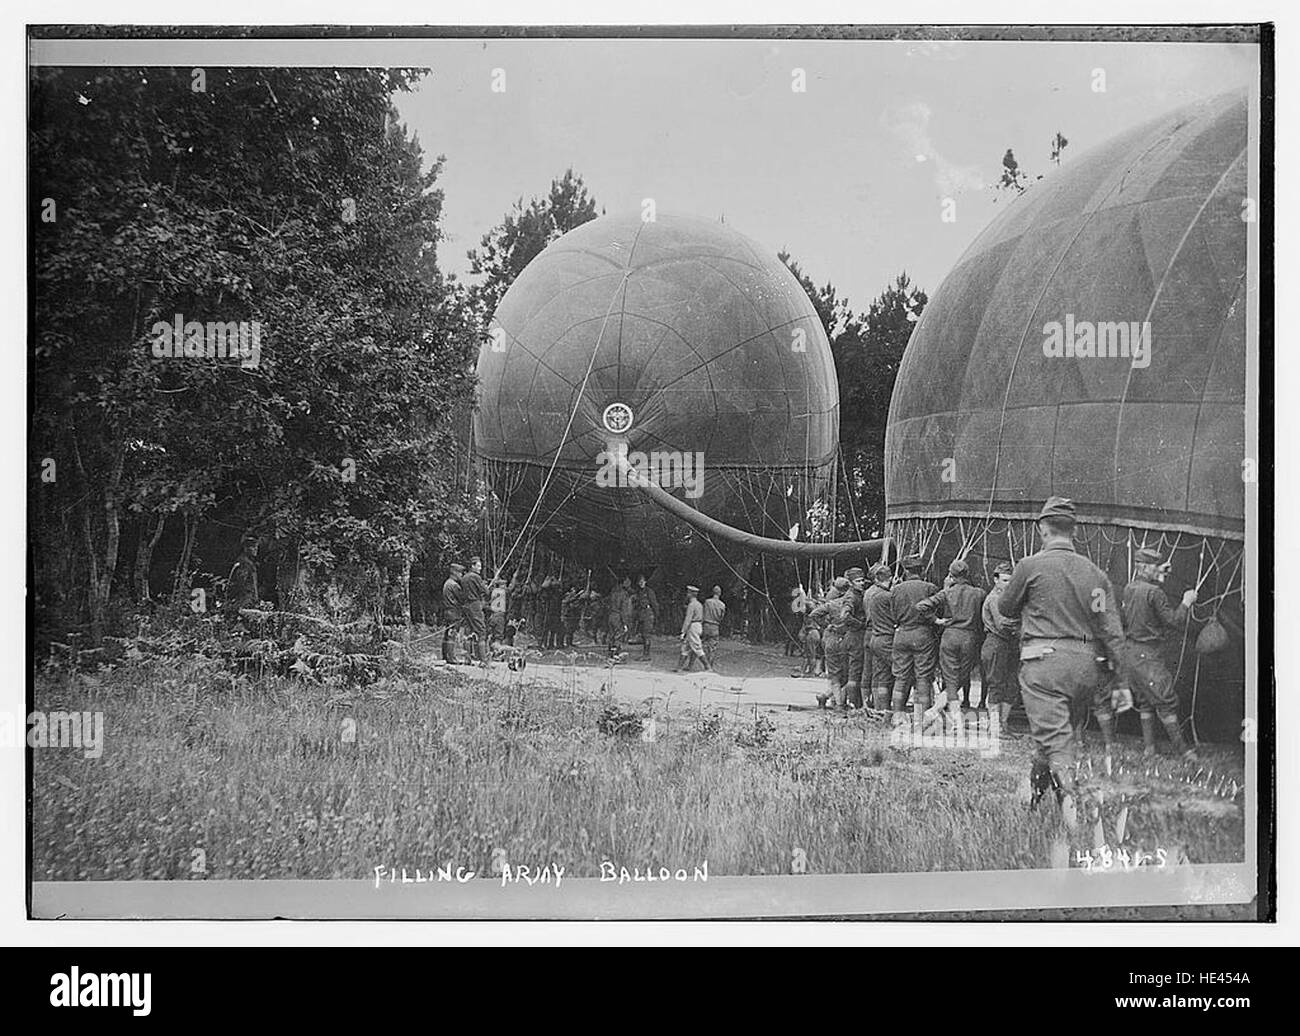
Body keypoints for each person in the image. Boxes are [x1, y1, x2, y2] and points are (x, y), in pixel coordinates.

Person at [998, 497, 1127, 825]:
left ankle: (1071, 816)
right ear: (1074, 530)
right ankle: (1034, 803)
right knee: (1057, 735)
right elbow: (1112, 632)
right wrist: (1122, 681)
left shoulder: (1030, 566)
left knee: (1056, 740)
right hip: (1085, 667)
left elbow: (1005, 609)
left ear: (1042, 528)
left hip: (1044, 664)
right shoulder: (1095, 573)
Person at [1121, 547, 1199, 761]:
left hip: (1131, 654)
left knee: (1146, 699)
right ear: (1145, 568)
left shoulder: (1130, 587)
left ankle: (1149, 749)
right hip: (1148, 655)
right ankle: (1184, 751)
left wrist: (1159, 572)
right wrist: (1186, 602)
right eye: (1156, 566)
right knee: (1165, 701)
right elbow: (1174, 621)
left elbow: (1144, 596)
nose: (1160, 570)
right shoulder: (1155, 593)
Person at [916, 559, 987, 712]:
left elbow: (921, 606)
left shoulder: (946, 593)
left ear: (951, 575)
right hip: (969, 637)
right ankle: (942, 707)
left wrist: (937, 620)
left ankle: (942, 709)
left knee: (950, 677)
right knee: (962, 675)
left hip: (949, 636)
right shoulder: (979, 593)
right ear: (967, 574)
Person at [889, 556, 940, 728]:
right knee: (923, 677)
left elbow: (893, 614)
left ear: (906, 571)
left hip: (901, 633)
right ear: (922, 571)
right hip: (922, 634)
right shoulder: (930, 588)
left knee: (901, 677)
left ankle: (897, 716)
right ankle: (921, 719)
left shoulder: (896, 589)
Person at [981, 562, 1021, 726]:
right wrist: (1022, 624)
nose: (1009, 584)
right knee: (996, 685)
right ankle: (996, 727)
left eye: (1011, 581)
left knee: (1011, 685)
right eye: (1005, 580)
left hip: (1010, 644)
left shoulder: (1008, 599)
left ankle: (1003, 724)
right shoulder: (995, 598)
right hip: (996, 644)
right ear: (995, 580)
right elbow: (1002, 624)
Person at [809, 578, 851, 708]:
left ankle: (829, 698)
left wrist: (827, 625)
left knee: (835, 674)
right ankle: (838, 702)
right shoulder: (852, 603)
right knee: (847, 674)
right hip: (847, 639)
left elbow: (814, 614)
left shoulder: (831, 603)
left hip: (832, 638)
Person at [863, 563, 896, 710]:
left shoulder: (869, 592)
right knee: (894, 672)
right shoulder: (884, 595)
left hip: (871, 633)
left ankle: (876, 708)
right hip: (882, 633)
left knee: (876, 673)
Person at [840, 567, 868, 709]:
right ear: (851, 583)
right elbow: (845, 616)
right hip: (855, 636)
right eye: (858, 581)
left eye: (862, 580)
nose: (861, 583)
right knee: (855, 671)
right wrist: (860, 625)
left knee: (856, 670)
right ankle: (852, 704)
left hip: (855, 636)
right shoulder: (851, 596)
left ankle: (852, 702)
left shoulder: (859, 594)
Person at [459, 556, 489, 663]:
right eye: (478, 566)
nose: (480, 568)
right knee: (481, 631)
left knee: (468, 631)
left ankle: (467, 659)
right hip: (474, 605)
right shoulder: (476, 577)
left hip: (466, 606)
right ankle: (483, 660)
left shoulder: (464, 578)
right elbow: (485, 592)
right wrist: (486, 587)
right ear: (472, 566)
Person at [676, 584, 710, 672]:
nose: (687, 595)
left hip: (693, 626)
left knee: (696, 647)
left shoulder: (691, 605)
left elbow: (688, 619)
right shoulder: (699, 605)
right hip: (698, 625)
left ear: (690, 594)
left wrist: (683, 631)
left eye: (688, 593)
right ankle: (680, 667)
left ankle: (707, 666)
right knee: (686, 646)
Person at [440, 563, 466, 664]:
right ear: (455, 573)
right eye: (460, 573)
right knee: (452, 634)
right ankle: (451, 657)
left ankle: (445, 655)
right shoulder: (454, 585)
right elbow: (462, 598)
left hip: (447, 611)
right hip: (454, 612)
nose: (461, 576)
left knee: (447, 634)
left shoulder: (447, 583)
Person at [633, 575, 659, 661]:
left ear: (645, 582)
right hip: (641, 615)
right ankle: (644, 654)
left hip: (648, 614)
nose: (641, 583)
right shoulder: (639, 592)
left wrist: (656, 615)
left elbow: (654, 604)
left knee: (646, 635)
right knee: (643, 635)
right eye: (639, 582)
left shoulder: (649, 591)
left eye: (642, 582)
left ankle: (646, 655)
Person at [701, 585, 726, 670]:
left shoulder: (707, 602)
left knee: (703, 645)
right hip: (715, 626)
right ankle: (710, 666)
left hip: (706, 625)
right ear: (720, 593)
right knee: (712, 648)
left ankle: (704, 665)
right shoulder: (722, 605)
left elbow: (703, 613)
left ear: (712, 592)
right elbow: (721, 617)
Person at [607, 577, 632, 659]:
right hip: (618, 617)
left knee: (611, 635)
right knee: (618, 635)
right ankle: (615, 655)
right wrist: (625, 623)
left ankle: (610, 654)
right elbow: (624, 610)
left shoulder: (612, 592)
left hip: (611, 615)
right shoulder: (624, 594)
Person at [488, 576, 509, 648]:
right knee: (498, 634)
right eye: (504, 585)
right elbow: (511, 588)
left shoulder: (494, 591)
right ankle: (496, 649)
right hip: (500, 614)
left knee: (491, 632)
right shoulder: (503, 592)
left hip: (493, 614)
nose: (505, 586)